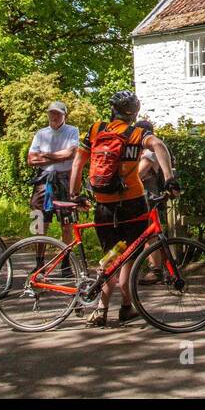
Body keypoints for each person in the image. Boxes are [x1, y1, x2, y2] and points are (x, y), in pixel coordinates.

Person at [69, 90, 179, 327]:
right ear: (134, 114)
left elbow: (79, 161)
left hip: (104, 204)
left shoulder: (97, 129)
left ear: (113, 110)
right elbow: (158, 145)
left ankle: (107, 309)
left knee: (114, 255)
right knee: (127, 256)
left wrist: (74, 194)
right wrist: (169, 178)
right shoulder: (137, 133)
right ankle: (116, 307)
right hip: (132, 203)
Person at [27, 101, 79, 238]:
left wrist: (44, 155)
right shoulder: (41, 133)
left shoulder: (72, 130)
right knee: (39, 220)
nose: (54, 117)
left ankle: (66, 258)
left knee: (66, 221)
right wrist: (60, 156)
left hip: (65, 178)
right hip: (44, 178)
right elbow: (31, 159)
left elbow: (71, 153)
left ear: (64, 116)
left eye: (58, 114)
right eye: (51, 113)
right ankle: (39, 258)